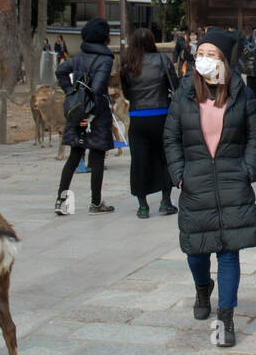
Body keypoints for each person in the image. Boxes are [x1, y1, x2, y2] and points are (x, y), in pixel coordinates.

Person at [163, 29, 256, 348]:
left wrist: (248, 169)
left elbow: (255, 135)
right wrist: (179, 174)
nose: (203, 59)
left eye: (211, 54)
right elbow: (171, 137)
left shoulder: (240, 93)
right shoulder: (184, 92)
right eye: (200, 53)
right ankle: (203, 288)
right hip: (196, 180)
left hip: (233, 180)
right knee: (196, 250)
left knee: (229, 252)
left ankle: (226, 315)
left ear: (224, 60)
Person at [55, 18, 116, 215]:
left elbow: (61, 71)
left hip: (78, 110)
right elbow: (97, 88)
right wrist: (90, 108)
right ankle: (96, 202)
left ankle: (61, 202)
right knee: (97, 156)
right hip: (96, 112)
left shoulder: (80, 56)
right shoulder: (105, 59)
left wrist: (71, 93)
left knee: (74, 156)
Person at [120, 27, 180, 218]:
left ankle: (143, 205)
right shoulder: (162, 60)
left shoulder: (127, 64)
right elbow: (175, 86)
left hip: (138, 115)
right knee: (164, 157)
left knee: (139, 160)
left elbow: (127, 92)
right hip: (162, 113)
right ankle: (165, 200)